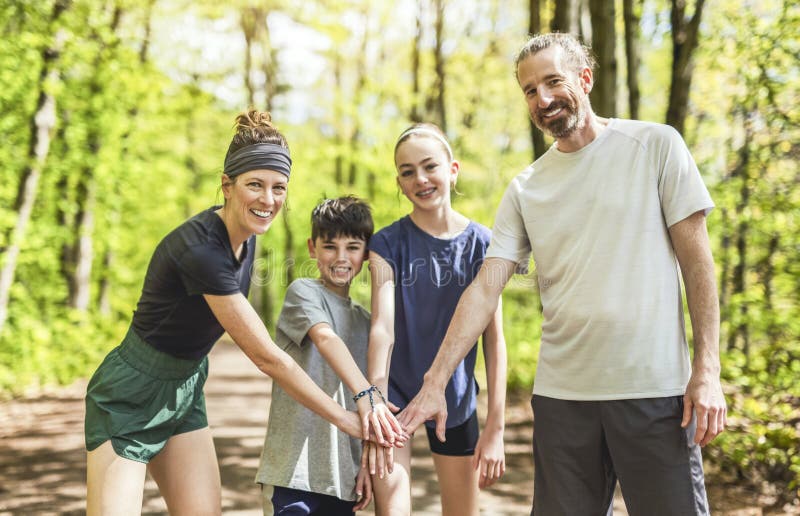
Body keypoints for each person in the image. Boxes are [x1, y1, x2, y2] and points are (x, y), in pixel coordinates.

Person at [397, 32, 728, 515]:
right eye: (530, 90)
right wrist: (434, 383)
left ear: (585, 79)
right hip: (562, 400)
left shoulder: (655, 145)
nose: (543, 98)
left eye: (553, 82)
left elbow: (698, 263)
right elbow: (485, 289)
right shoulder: (526, 188)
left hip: (654, 391)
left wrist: (708, 369)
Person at [84, 111, 403, 515]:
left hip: (184, 388)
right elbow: (268, 357)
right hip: (130, 393)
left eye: (278, 188)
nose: (268, 200)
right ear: (227, 186)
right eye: (255, 185)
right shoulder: (201, 250)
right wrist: (349, 416)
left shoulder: (249, 239)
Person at [368, 123, 508, 516]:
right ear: (399, 181)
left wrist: (496, 428)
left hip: (457, 399)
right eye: (408, 171)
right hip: (394, 398)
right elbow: (382, 327)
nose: (421, 179)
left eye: (429, 166)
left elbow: (495, 342)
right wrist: (376, 401)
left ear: (453, 169)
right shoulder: (386, 243)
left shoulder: (485, 244)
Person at [256, 196, 395, 515]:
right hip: (293, 473)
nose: (341, 257)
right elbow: (325, 337)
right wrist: (367, 394)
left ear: (367, 254)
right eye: (330, 246)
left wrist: (365, 462)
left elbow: (368, 407)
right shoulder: (303, 292)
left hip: (342, 479)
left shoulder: (367, 322)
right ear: (312, 247)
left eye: (353, 247)